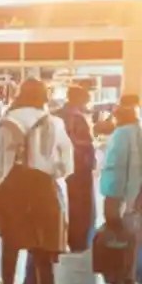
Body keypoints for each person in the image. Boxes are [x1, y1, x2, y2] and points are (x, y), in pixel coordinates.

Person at [0, 77, 73, 284]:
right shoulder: (54, 122)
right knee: (43, 255)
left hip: (12, 191)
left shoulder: (5, 122)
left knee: (10, 248)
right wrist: (51, 171)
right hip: (44, 189)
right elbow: (68, 163)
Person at [98, 96, 142, 284]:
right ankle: (128, 276)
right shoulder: (138, 133)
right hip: (135, 192)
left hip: (119, 194)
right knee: (133, 237)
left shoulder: (120, 135)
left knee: (119, 235)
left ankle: (119, 277)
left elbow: (114, 166)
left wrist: (112, 196)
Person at [53, 85, 95, 254]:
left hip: (59, 167)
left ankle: (59, 238)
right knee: (81, 206)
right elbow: (85, 145)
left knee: (61, 203)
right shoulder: (77, 118)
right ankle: (78, 241)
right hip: (79, 169)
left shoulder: (56, 115)